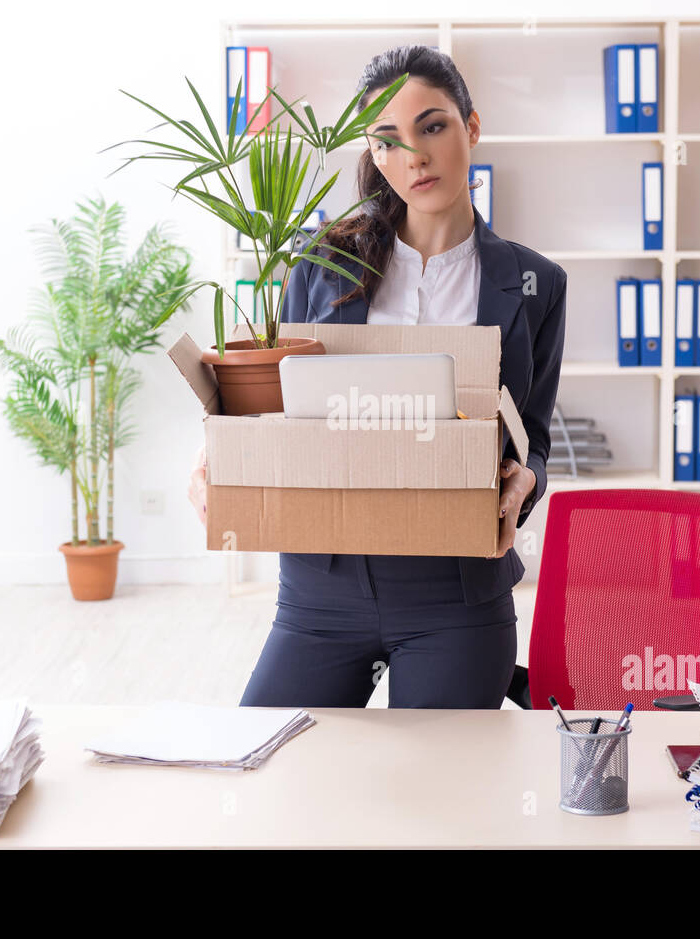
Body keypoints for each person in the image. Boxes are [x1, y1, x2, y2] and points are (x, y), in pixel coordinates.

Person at [189, 44, 567, 709]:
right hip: (322, 582)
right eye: (388, 141)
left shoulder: (535, 284)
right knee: (273, 771)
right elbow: (276, 401)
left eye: (433, 126)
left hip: (458, 588)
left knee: (434, 799)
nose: (414, 157)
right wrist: (217, 453)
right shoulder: (320, 266)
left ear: (471, 128)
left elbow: (530, 430)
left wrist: (526, 477)